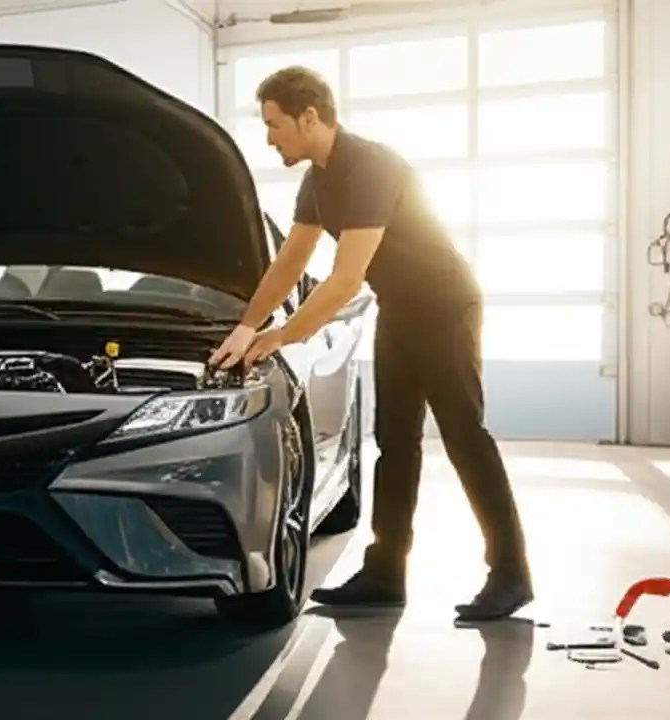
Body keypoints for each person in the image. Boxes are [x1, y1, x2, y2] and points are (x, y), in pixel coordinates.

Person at [208, 66, 533, 621]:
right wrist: (245, 327)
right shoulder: (317, 181)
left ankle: (511, 573)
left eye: (274, 124)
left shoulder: (370, 167)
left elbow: (344, 278)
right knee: (394, 441)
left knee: (463, 436)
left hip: (446, 303)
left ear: (309, 117)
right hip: (402, 308)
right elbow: (291, 261)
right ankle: (386, 573)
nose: (268, 137)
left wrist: (283, 336)